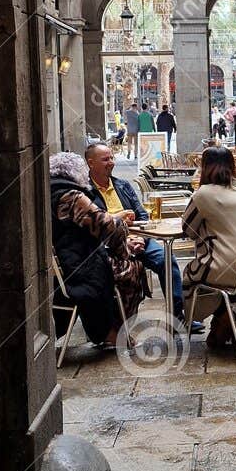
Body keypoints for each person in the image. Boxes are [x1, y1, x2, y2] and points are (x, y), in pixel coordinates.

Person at [85, 140, 193, 326]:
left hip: (137, 238)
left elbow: (142, 214)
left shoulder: (123, 185)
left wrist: (140, 238)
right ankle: (113, 323)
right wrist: (120, 230)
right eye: (105, 159)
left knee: (167, 260)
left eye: (112, 157)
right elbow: (93, 224)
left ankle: (178, 317)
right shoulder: (85, 192)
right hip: (110, 245)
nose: (111, 162)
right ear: (90, 163)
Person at [50, 152, 146, 349]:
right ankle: (113, 330)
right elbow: (105, 226)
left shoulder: (51, 192)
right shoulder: (71, 196)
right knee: (133, 269)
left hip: (69, 260)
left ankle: (111, 329)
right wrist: (123, 242)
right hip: (79, 266)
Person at [182, 147, 236, 350]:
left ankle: (227, 319)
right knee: (225, 266)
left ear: (204, 168)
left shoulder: (203, 195)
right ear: (232, 166)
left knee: (190, 277)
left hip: (235, 273)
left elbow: (187, 229)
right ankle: (223, 324)